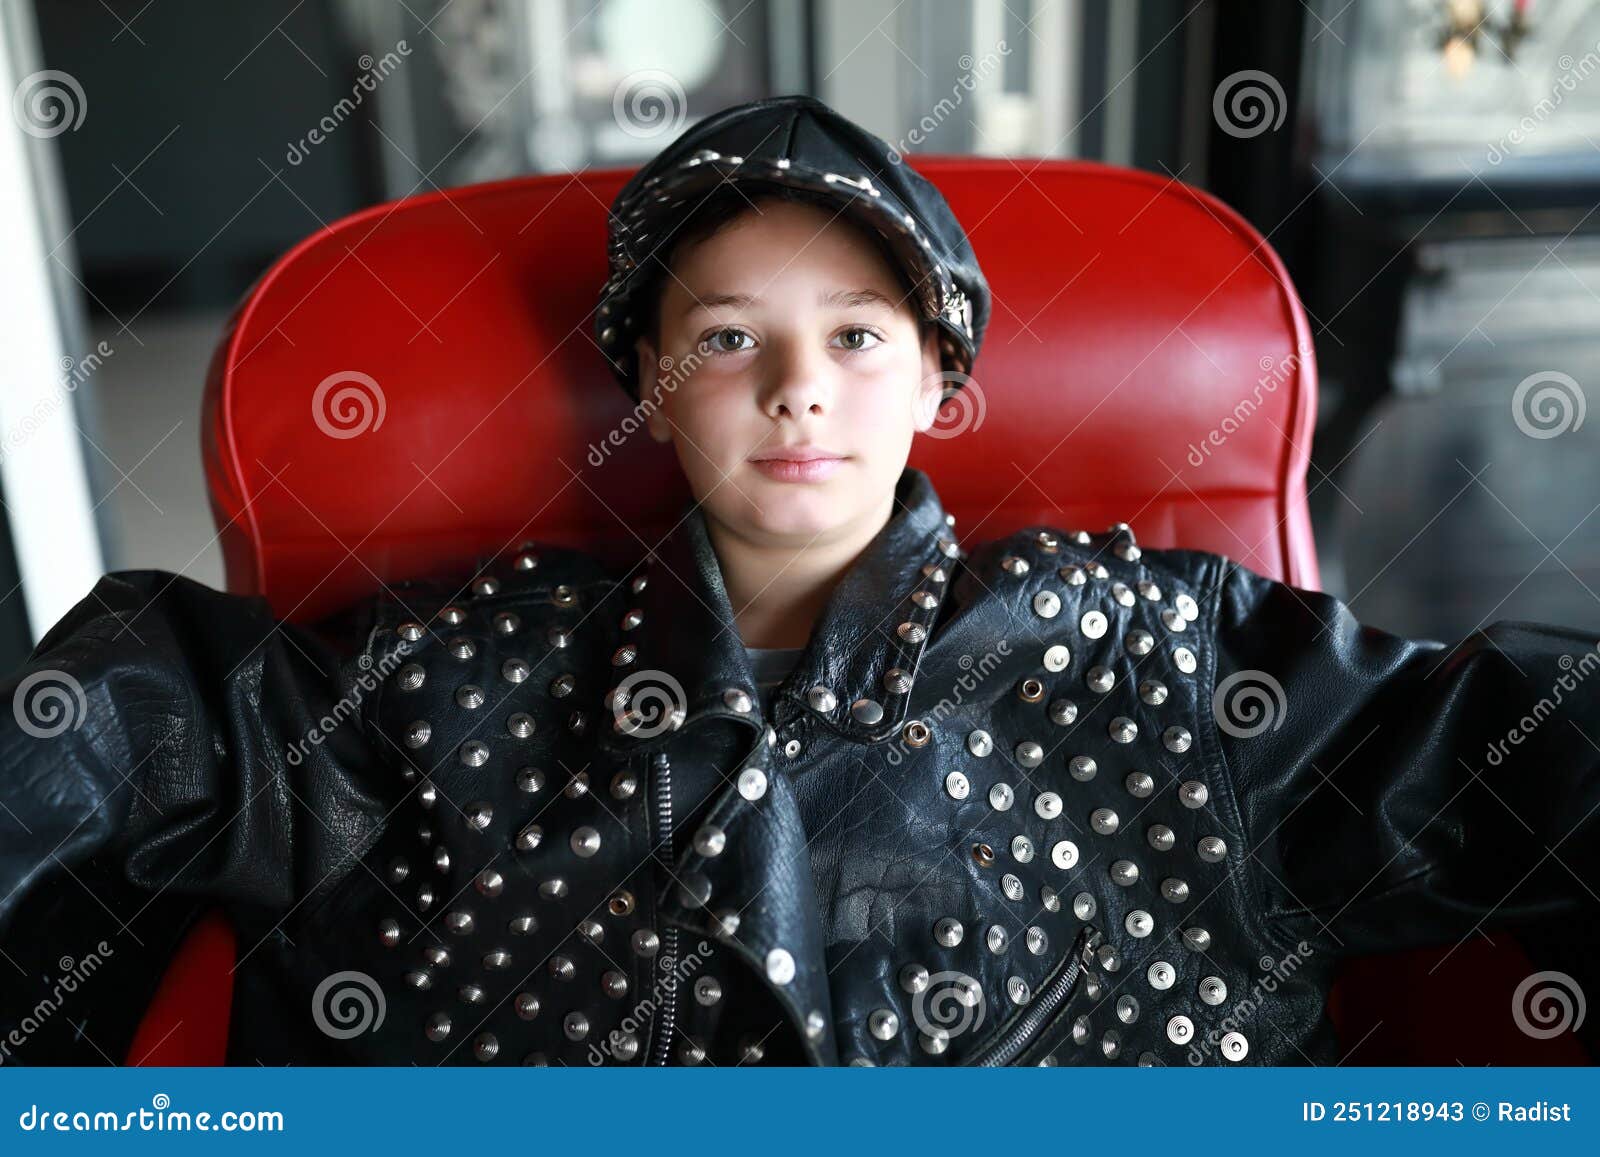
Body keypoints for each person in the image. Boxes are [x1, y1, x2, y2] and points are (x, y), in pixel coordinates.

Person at [2, 94, 1597, 1068]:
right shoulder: (463, 666)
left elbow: (1504, 751)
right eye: (725, 337)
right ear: (649, 378)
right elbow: (143, 715)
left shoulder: (1147, 643)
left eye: (856, 336)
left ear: (935, 383)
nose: (797, 386)